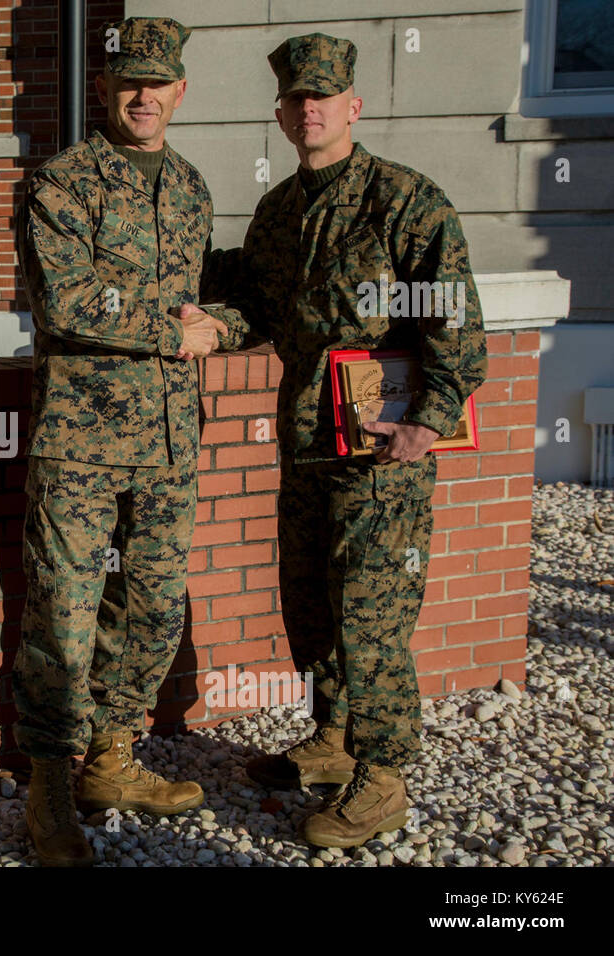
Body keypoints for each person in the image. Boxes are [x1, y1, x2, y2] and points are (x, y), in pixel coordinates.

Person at [190, 33, 488, 848]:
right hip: (310, 440)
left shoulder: (405, 201)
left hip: (383, 448)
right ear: (280, 113)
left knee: (371, 612)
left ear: (352, 106)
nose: (308, 109)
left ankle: (384, 773)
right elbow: (257, 305)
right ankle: (333, 738)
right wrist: (208, 319)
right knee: (310, 598)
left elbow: (453, 316)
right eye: (295, 98)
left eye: (323, 97)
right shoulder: (281, 210)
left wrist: (432, 415)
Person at [14, 15, 237, 867]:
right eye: (129, 82)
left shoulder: (188, 185)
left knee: (150, 607)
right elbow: (66, 303)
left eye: (160, 82)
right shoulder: (62, 182)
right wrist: (173, 329)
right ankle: (48, 786)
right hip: (82, 441)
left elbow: (209, 298)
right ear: (105, 89)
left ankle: (113, 756)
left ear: (182, 90)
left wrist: (219, 322)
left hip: (172, 440)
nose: (145, 96)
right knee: (62, 617)